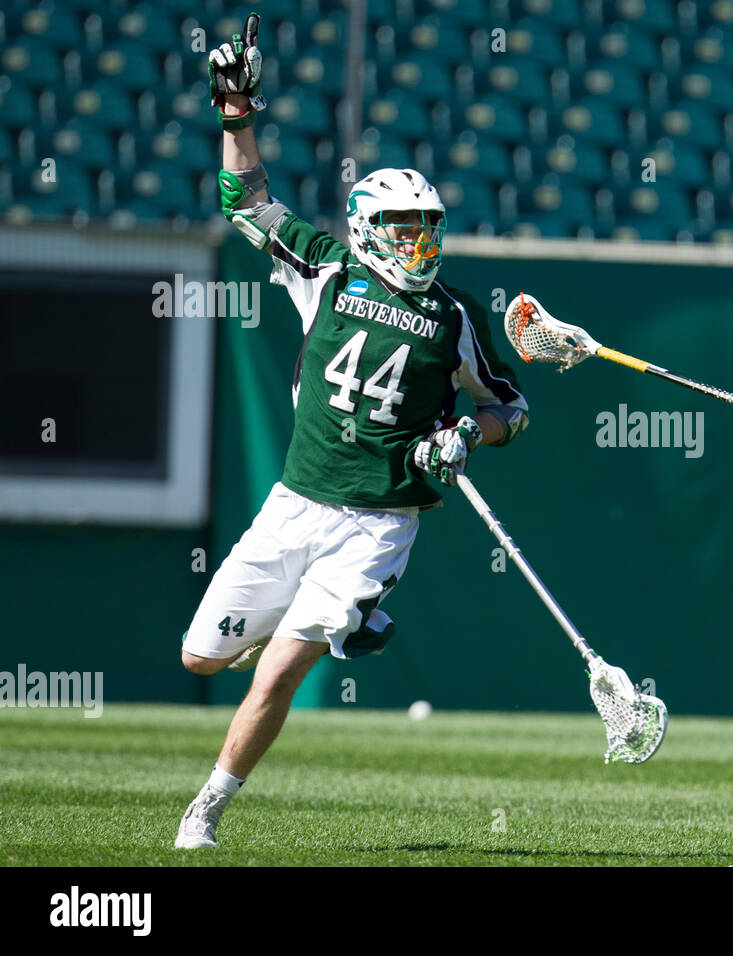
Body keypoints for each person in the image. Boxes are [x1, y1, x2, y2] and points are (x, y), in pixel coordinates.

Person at [175, 16, 529, 849]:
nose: (420, 240)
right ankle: (353, 624)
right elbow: (246, 199)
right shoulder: (327, 270)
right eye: (406, 227)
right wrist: (235, 112)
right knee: (199, 658)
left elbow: (512, 410)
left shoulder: (452, 316)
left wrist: (467, 437)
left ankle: (206, 813)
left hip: (378, 520)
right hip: (295, 504)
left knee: (279, 672)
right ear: (371, 228)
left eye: (428, 227)